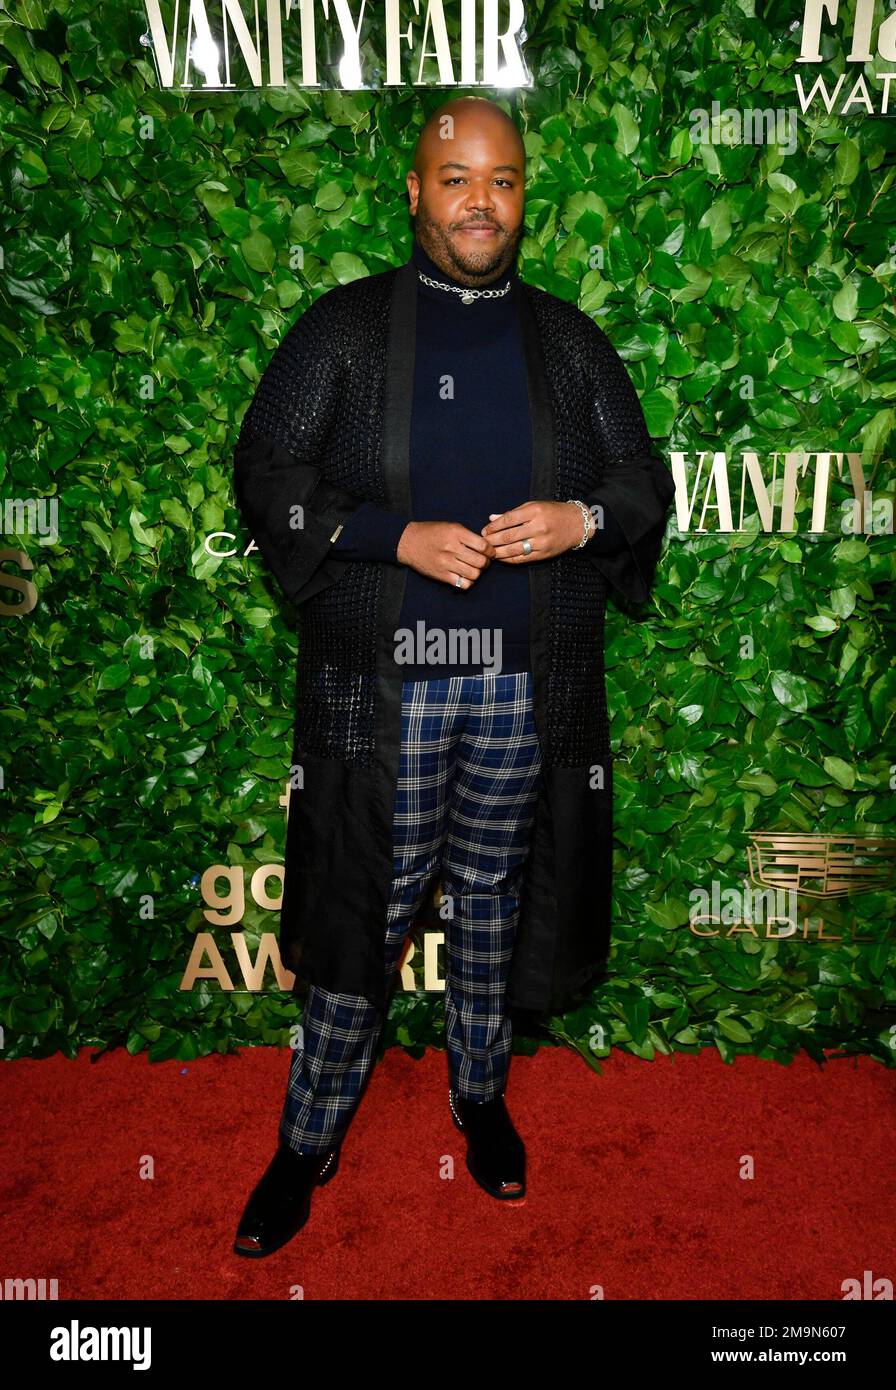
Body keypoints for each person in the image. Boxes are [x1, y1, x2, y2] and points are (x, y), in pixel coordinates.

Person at [231, 95, 676, 1257]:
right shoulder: (341, 330)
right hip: (385, 689)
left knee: (490, 902)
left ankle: (476, 1097)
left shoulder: (567, 340)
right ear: (416, 192)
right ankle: (307, 1134)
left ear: (520, 194)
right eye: (457, 179)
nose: (482, 203)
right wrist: (395, 535)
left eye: (504, 180)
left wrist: (580, 518)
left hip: (529, 686)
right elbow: (264, 465)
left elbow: (640, 482)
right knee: (360, 915)